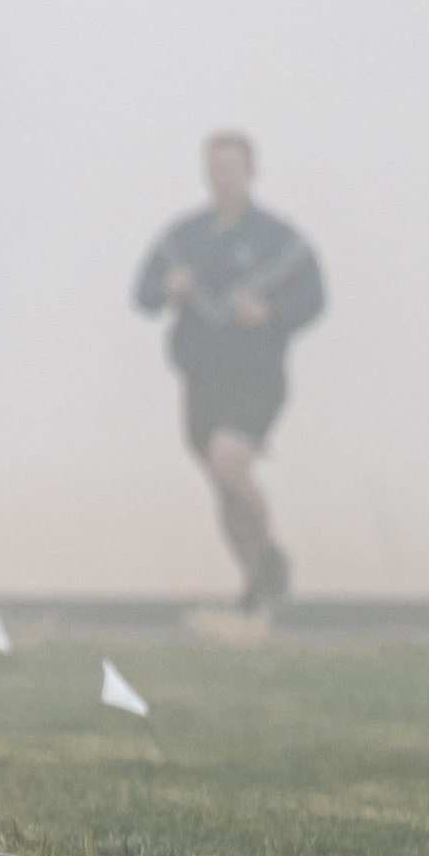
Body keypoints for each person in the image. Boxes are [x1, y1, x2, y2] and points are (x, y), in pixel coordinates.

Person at [134, 132, 324, 612]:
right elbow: (144, 292)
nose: (223, 177)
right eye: (215, 168)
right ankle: (256, 583)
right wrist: (168, 287)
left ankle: (270, 560)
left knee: (230, 461)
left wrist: (270, 312)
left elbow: (313, 298)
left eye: (232, 168)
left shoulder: (278, 239)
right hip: (201, 374)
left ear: (251, 172)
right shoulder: (186, 237)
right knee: (224, 488)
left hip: (257, 373)